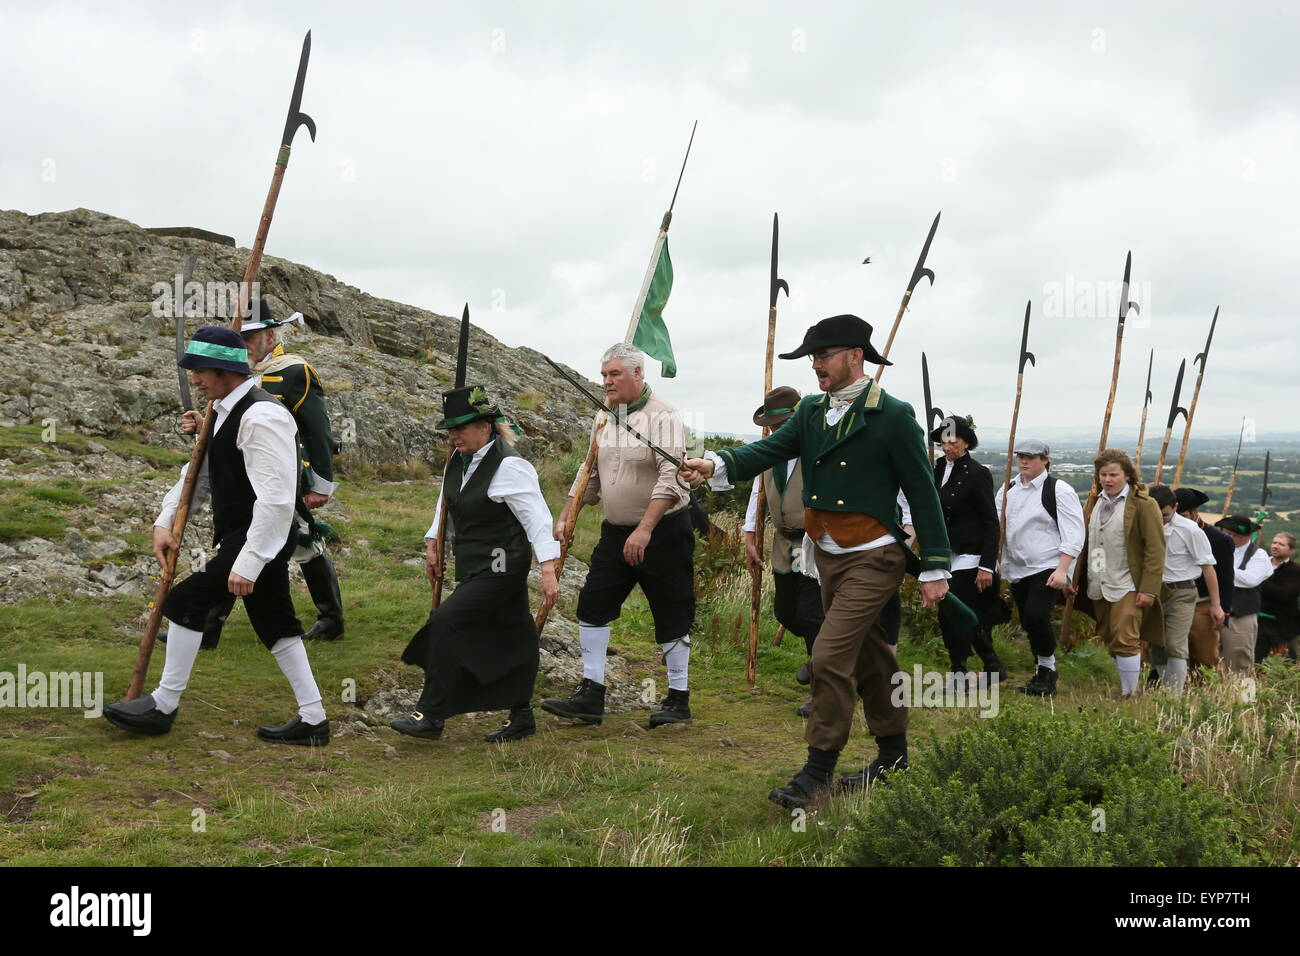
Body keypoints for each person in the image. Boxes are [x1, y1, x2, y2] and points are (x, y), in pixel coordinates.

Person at [680, 314, 952, 809]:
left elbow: (922, 489)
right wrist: (716, 463)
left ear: (855, 356)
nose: (814, 366)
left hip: (876, 555)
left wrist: (935, 564)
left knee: (826, 658)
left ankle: (817, 771)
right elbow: (770, 448)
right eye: (811, 358)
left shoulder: (892, 414)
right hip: (826, 554)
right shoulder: (810, 411)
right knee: (874, 660)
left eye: (822, 356)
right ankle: (893, 759)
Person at [103, 327, 330, 744]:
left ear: (225, 371)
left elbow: (278, 500)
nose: (193, 380)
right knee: (276, 624)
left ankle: (164, 705)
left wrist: (250, 560)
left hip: (259, 537)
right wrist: (164, 522)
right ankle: (314, 720)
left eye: (200, 370)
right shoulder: (223, 411)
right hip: (248, 538)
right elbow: (199, 475)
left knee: (186, 602)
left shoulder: (263, 416)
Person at [393, 385, 560, 743]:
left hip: (502, 566)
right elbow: (446, 505)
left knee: (446, 622)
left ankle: (431, 714)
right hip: (472, 563)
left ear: (484, 427)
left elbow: (538, 520)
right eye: (450, 428)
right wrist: (433, 544)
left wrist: (549, 571)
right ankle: (522, 716)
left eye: (461, 427)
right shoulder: (456, 460)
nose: (453, 435)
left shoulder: (511, 466)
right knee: (514, 635)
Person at [542, 343, 695, 729]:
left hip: (663, 532)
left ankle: (678, 699)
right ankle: (591, 694)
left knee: (671, 611)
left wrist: (645, 529)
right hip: (615, 532)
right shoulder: (605, 416)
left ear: (638, 374)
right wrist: (568, 513)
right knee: (593, 604)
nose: (607, 381)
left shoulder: (665, 417)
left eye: (615, 374)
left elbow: (671, 477)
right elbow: (590, 469)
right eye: (605, 374)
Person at [179, 298, 344, 648]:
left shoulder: (295, 370)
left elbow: (317, 429)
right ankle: (208, 625)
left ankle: (330, 618)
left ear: (270, 335)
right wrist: (204, 426)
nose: (245, 345)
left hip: (285, 476)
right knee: (236, 544)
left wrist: (320, 484)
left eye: (251, 337)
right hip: (244, 476)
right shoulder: (236, 372)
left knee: (306, 545)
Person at [741, 387, 823, 718]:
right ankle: (836, 652)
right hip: (782, 541)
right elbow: (758, 494)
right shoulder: (769, 452)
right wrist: (750, 533)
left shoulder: (817, 448)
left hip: (812, 543)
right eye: (774, 427)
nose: (778, 432)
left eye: (784, 424)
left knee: (810, 614)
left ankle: (824, 688)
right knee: (786, 612)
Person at [993, 439, 1085, 697]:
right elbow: (999, 527)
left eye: (1031, 457)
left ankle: (1048, 671)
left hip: (1048, 565)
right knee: (1027, 619)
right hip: (1017, 566)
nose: (1024, 461)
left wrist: (1063, 570)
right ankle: (1041, 671)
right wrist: (995, 558)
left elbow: (1074, 533)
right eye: (1021, 456)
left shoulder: (1059, 490)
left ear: (1045, 460)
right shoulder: (1007, 490)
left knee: (1035, 614)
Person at [1075, 448, 1165, 698]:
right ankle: (1123, 687)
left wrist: (1148, 589)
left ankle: (1130, 694)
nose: (1107, 479)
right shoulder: (1094, 501)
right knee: (1109, 637)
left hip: (1128, 583)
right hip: (1098, 582)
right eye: (1103, 474)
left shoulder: (1144, 505)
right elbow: (1087, 542)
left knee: (1126, 638)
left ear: (1128, 476)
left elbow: (1155, 550)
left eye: (1113, 474)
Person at [929, 413, 1010, 681]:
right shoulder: (936, 470)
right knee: (958, 614)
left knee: (955, 614)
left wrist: (987, 564)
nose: (947, 447)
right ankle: (993, 665)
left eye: (953, 441)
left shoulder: (978, 474)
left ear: (966, 442)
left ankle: (959, 672)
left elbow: (991, 521)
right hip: (944, 555)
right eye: (943, 442)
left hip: (971, 556)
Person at [1147, 484, 1223, 694]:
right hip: (1153, 590)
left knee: (1174, 644)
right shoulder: (1144, 524)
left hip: (1182, 592)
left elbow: (1208, 568)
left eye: (1165, 515)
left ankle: (1175, 697)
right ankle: (1165, 689)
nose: (1161, 519)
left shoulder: (1190, 530)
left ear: (1175, 507)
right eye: (1156, 514)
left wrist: (1216, 605)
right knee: (1157, 646)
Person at [1173, 487, 1233, 672]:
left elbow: (1226, 578)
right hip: (1174, 600)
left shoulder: (1218, 539)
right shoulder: (1168, 530)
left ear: (1194, 512)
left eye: (1182, 515)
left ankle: (1205, 693)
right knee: (1172, 652)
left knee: (1204, 656)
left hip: (1203, 603)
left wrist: (1223, 610)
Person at [1214, 515, 1275, 674]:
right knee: (1206, 656)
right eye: (1228, 533)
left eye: (1235, 534)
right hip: (1212, 609)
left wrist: (1220, 570)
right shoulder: (1217, 549)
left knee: (1239, 658)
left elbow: (1251, 580)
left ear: (1247, 536)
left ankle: (1240, 695)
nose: (1231, 537)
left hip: (1240, 614)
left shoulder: (1258, 554)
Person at [1258, 532, 1299, 661]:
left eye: (1281, 544)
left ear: (1291, 550)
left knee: (1287, 663)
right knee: (1256, 661)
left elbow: (1284, 594)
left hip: (1284, 625)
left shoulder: (1295, 570)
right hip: (1258, 621)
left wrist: (1258, 578)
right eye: (1274, 542)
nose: (1275, 546)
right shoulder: (1260, 564)